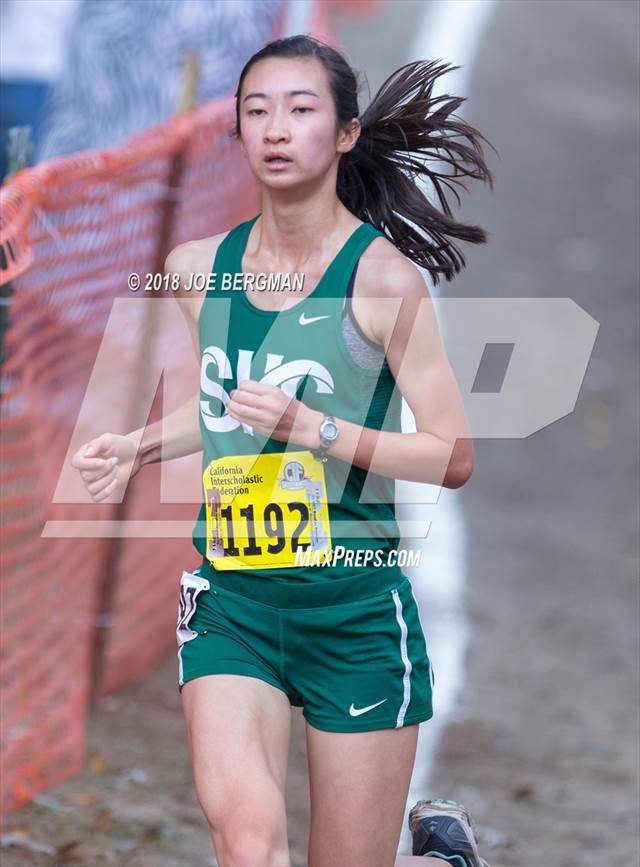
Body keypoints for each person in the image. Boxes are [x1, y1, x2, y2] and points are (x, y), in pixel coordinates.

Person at [72, 34, 494, 867]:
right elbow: (232, 407)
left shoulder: (383, 282)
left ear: (344, 133)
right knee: (251, 843)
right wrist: (139, 446)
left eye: (300, 110)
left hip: (356, 614)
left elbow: (452, 454)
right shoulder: (199, 271)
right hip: (235, 606)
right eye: (256, 110)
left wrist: (319, 430)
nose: (274, 128)